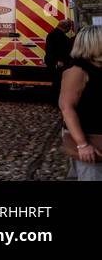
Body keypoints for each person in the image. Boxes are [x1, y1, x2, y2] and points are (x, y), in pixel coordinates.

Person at [60, 24, 102, 181]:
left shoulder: (98, 67)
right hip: (92, 144)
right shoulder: (77, 71)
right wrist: (82, 144)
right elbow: (67, 108)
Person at [45, 19, 75, 98]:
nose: (69, 30)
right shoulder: (57, 35)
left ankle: (57, 98)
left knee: (57, 82)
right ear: (66, 27)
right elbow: (57, 50)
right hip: (57, 64)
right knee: (58, 82)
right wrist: (59, 61)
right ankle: (56, 99)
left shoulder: (55, 34)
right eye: (69, 27)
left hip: (55, 62)